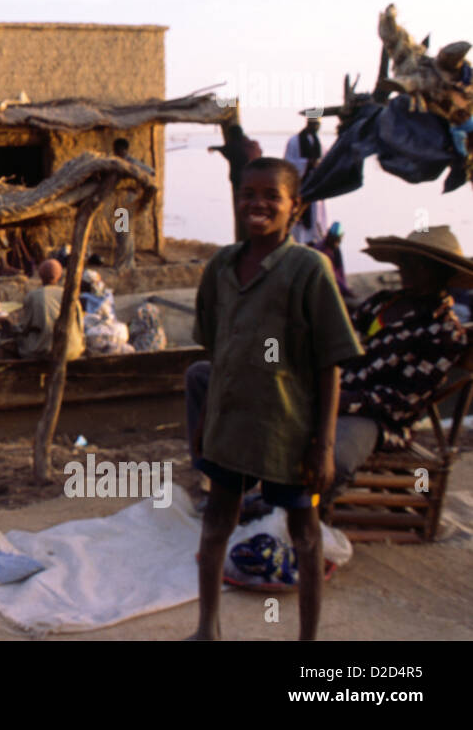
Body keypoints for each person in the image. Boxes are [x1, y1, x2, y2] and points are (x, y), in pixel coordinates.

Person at [187, 158, 363, 641]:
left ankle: (308, 639)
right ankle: (207, 629)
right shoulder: (222, 266)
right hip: (229, 424)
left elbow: (330, 362)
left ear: (295, 207)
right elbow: (216, 351)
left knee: (305, 535)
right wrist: (204, 421)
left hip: (288, 430)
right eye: (248, 194)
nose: (258, 204)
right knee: (216, 524)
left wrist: (324, 444)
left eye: (272, 196)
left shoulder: (309, 268)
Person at [331, 227, 471, 486]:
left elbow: (403, 401)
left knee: (335, 460)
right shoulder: (382, 303)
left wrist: (340, 400)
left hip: (376, 420)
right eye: (405, 261)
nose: (406, 269)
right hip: (331, 396)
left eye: (419, 265)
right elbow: (337, 342)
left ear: (442, 272)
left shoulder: (444, 333)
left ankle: (307, 508)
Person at [16, 259, 84, 361]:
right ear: (59, 276)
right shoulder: (70, 294)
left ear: (40, 275)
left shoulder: (32, 296)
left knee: (20, 340)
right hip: (73, 351)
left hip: (44, 353)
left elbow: (25, 327)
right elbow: (80, 324)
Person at [208, 123, 262, 240]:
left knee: (243, 212)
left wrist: (214, 148)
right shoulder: (253, 144)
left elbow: (226, 149)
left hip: (242, 183)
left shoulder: (233, 147)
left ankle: (245, 239)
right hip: (257, 181)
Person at [111, 137, 155, 270]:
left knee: (123, 232)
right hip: (122, 201)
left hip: (127, 201)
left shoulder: (130, 163)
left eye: (117, 150)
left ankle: (124, 264)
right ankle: (125, 262)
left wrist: (137, 186)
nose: (115, 152)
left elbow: (151, 172)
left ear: (123, 150)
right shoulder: (121, 162)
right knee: (123, 232)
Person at [284, 117, 328, 245]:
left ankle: (314, 241)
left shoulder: (318, 141)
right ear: (309, 123)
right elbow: (288, 163)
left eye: (318, 125)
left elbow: (325, 159)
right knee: (299, 219)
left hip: (315, 186)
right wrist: (306, 163)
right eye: (315, 124)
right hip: (300, 185)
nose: (317, 127)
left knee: (316, 218)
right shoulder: (294, 141)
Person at [313, 221, 353, 301]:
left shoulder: (336, 249)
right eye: (334, 240)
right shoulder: (320, 250)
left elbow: (340, 271)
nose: (335, 243)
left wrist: (345, 289)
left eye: (337, 240)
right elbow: (331, 275)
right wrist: (345, 290)